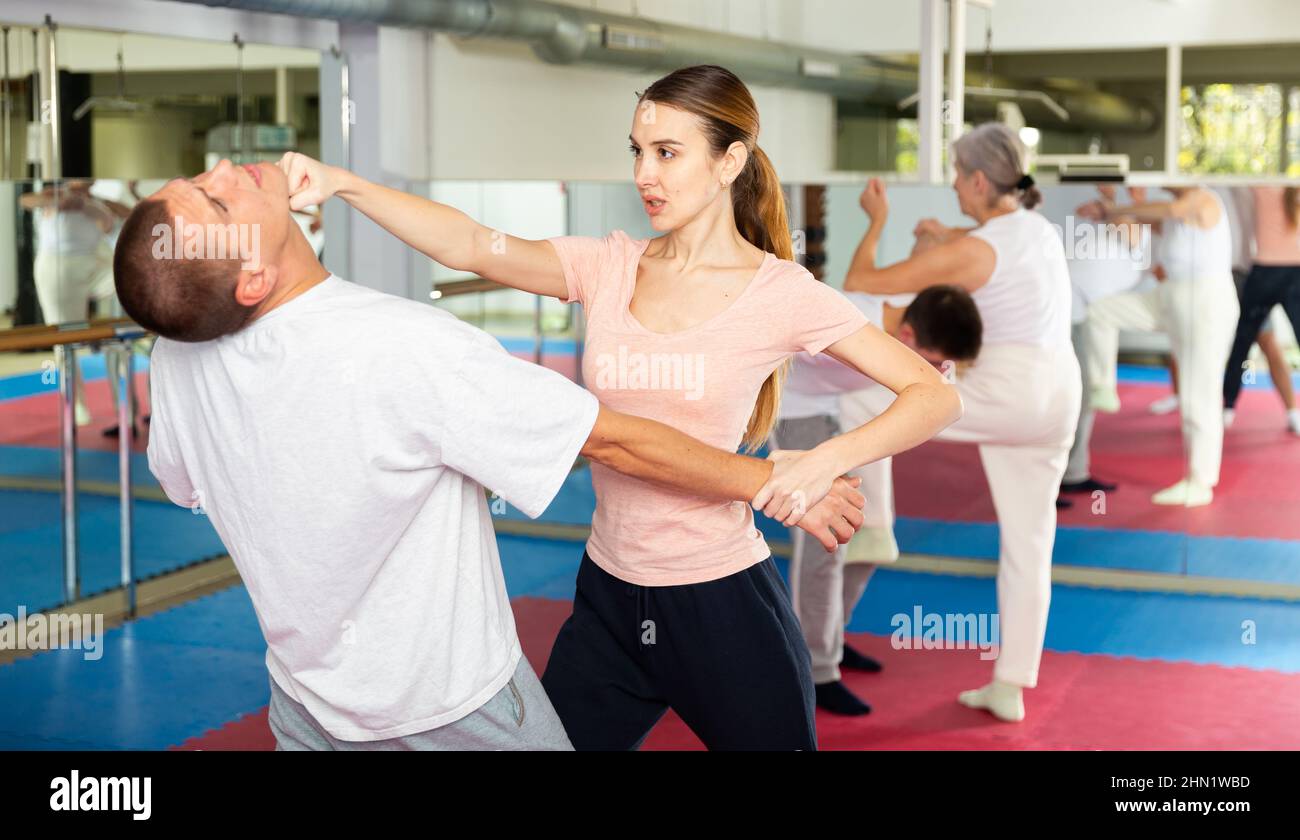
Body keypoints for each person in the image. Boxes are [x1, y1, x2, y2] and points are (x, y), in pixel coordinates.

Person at [279, 64, 963, 749]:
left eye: (668, 153)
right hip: (609, 595)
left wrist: (821, 463)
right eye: (638, 152)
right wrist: (344, 184)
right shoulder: (607, 265)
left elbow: (932, 393)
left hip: (722, 602)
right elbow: (469, 244)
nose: (644, 174)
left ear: (731, 162)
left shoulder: (780, 292)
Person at [110, 156, 869, 751]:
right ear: (252, 279)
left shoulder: (178, 356)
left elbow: (181, 483)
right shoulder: (405, 345)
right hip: (452, 703)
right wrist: (773, 477)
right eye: (214, 202)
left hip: (306, 702)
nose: (219, 173)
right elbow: (610, 438)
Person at [841, 122, 1081, 723]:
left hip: (1005, 389)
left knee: (865, 398)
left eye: (955, 175)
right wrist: (945, 235)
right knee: (1030, 545)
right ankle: (1010, 686)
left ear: (978, 180)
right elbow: (988, 245)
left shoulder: (975, 249)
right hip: (1058, 395)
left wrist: (876, 221)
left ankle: (876, 524)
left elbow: (859, 285)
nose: (952, 184)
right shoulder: (1039, 230)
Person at [773, 284, 983, 716]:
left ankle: (832, 636)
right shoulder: (843, 320)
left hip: (856, 405)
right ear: (906, 337)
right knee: (822, 547)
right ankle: (814, 667)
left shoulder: (918, 310)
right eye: (931, 361)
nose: (937, 371)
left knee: (870, 535)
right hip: (801, 411)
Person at [1081, 186, 1239, 507]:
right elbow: (1137, 221)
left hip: (1204, 302)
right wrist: (1111, 207)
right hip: (1170, 298)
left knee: (1198, 396)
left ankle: (1199, 481)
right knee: (1100, 311)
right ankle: (1103, 387)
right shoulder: (1173, 210)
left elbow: (1169, 212)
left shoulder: (1202, 198)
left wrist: (1117, 207)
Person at [1060, 184, 1150, 497]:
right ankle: (1058, 477)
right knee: (1073, 396)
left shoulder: (1138, 235)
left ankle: (1072, 472)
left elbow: (1125, 225)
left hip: (1079, 315)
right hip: (1068, 313)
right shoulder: (1118, 224)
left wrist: (1112, 202)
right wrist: (1109, 203)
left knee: (1082, 396)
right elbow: (1114, 220)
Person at [1223, 185, 1300, 434]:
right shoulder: (1263, 186)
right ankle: (1228, 406)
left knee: (1243, 342)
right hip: (1267, 271)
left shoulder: (1264, 187)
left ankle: (1229, 407)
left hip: (1275, 272)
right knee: (1243, 342)